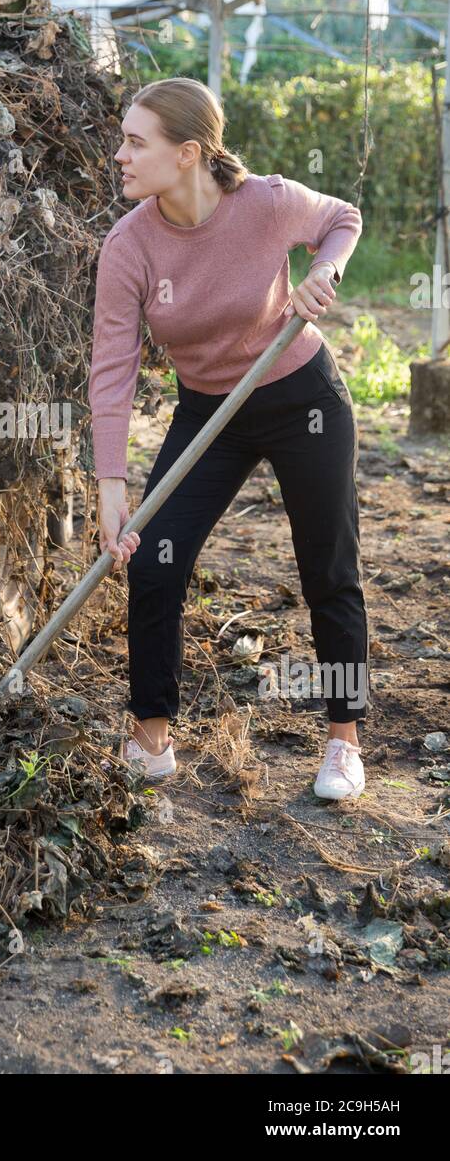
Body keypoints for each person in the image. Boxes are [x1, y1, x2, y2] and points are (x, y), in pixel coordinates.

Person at [89, 77, 371, 801]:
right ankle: (151, 735)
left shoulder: (266, 204)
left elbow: (343, 217)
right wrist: (112, 490)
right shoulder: (129, 246)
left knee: (327, 569)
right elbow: (113, 371)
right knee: (154, 557)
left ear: (187, 154)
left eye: (133, 142)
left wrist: (322, 272)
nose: (119, 155)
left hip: (299, 394)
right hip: (207, 410)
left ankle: (343, 741)